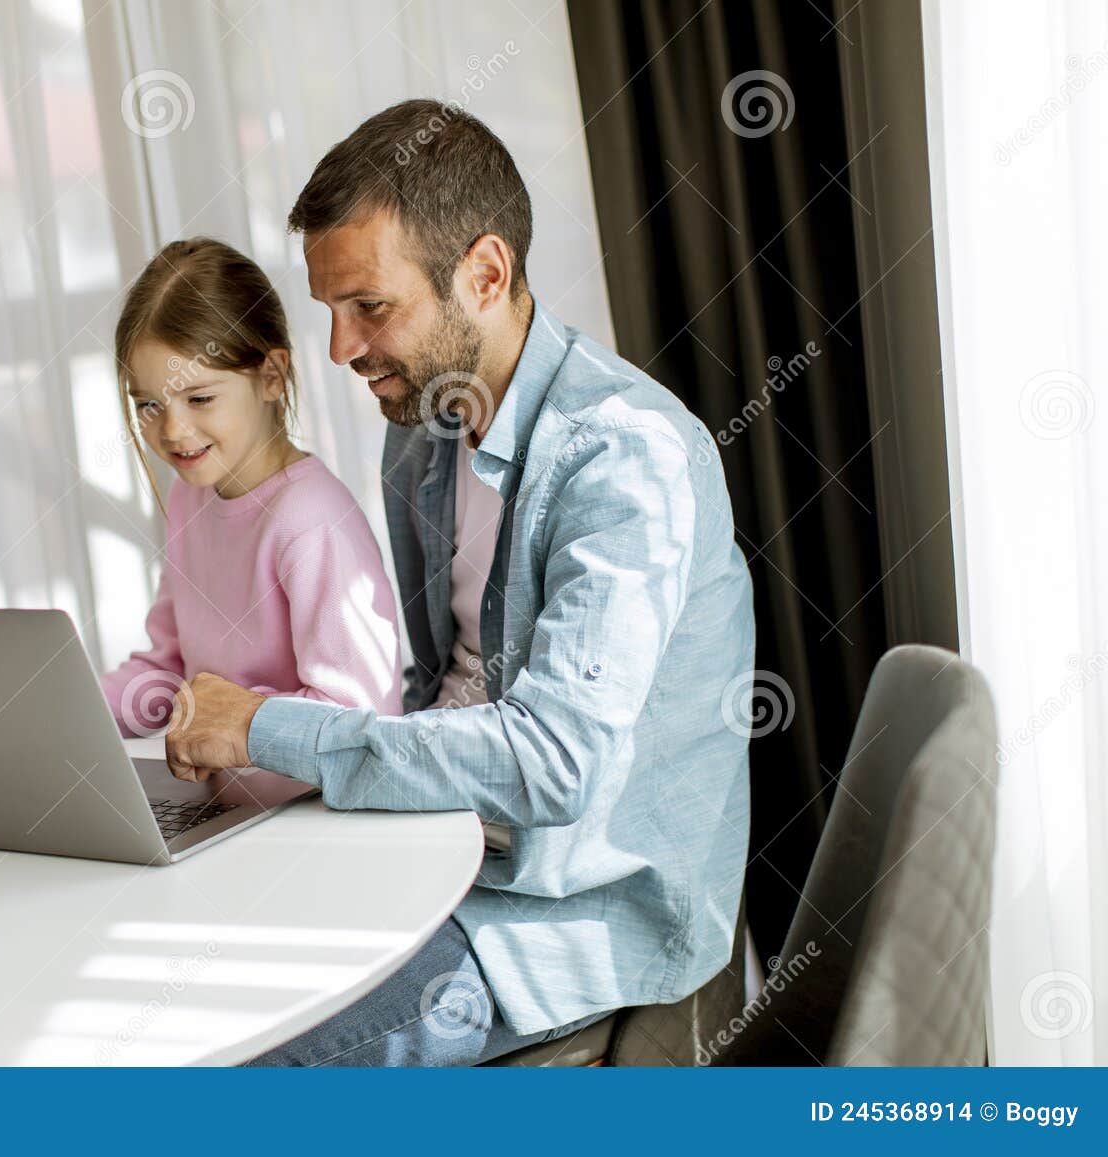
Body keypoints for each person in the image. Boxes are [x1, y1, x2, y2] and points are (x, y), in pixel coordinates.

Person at [166, 101, 757, 1065]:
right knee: (180, 983)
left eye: (370, 307)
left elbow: (556, 761)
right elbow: (428, 692)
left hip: (561, 918)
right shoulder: (424, 445)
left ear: (484, 273)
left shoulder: (624, 457)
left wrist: (264, 723)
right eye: (329, 312)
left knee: (236, 1067)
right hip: (436, 857)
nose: (340, 349)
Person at [99, 237, 403, 738]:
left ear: (271, 376)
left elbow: (358, 720)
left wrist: (232, 722)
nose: (172, 430)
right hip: (237, 808)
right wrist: (71, 716)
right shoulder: (190, 498)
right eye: (149, 405)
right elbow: (169, 673)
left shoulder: (311, 522)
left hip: (312, 815)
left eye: (199, 398)